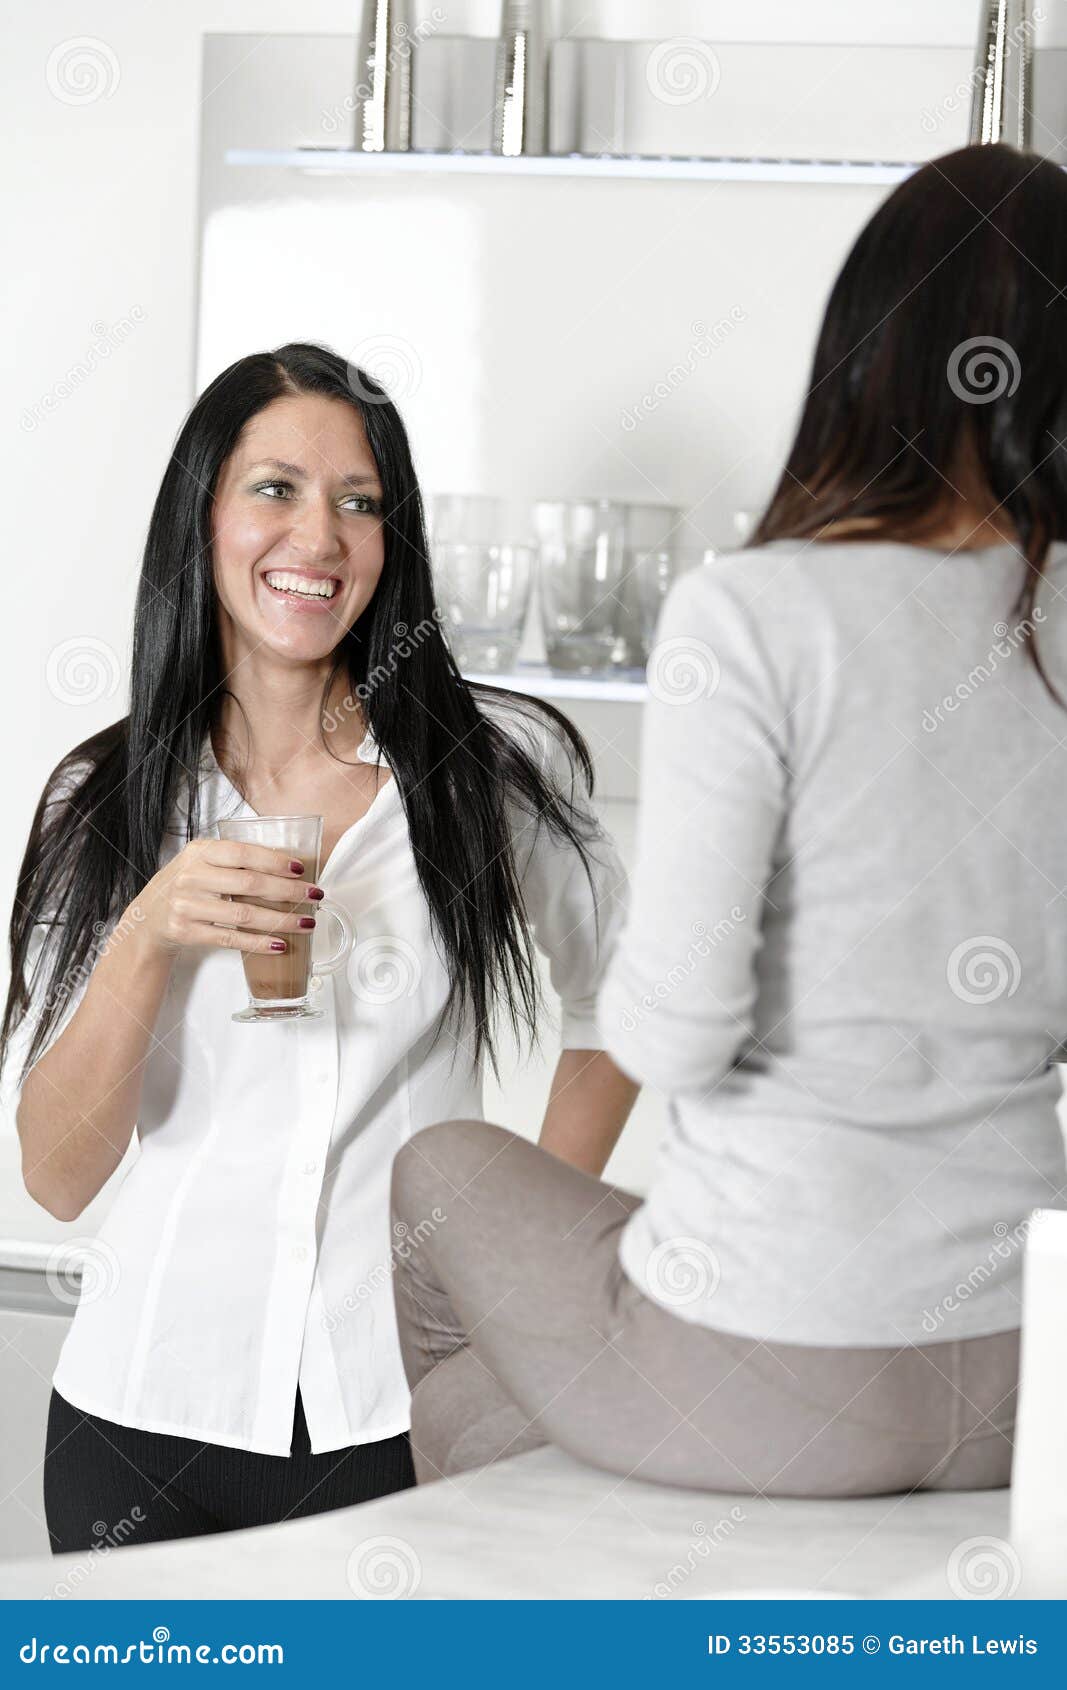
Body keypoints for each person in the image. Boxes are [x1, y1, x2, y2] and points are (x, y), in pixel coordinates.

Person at [391, 142, 1067, 1498]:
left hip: (790, 1361)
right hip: (1019, 1372)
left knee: (437, 1172)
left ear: (864, 347)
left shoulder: (757, 613)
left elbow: (672, 1034)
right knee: (482, 1417)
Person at [0, 343, 638, 1552]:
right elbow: (60, 1175)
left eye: (359, 502)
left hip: (405, 1416)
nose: (319, 537)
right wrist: (151, 927)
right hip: (142, 1417)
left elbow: (629, 1007)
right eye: (275, 489)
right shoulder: (104, 796)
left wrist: (531, 1274)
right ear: (203, 516)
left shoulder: (491, 770)